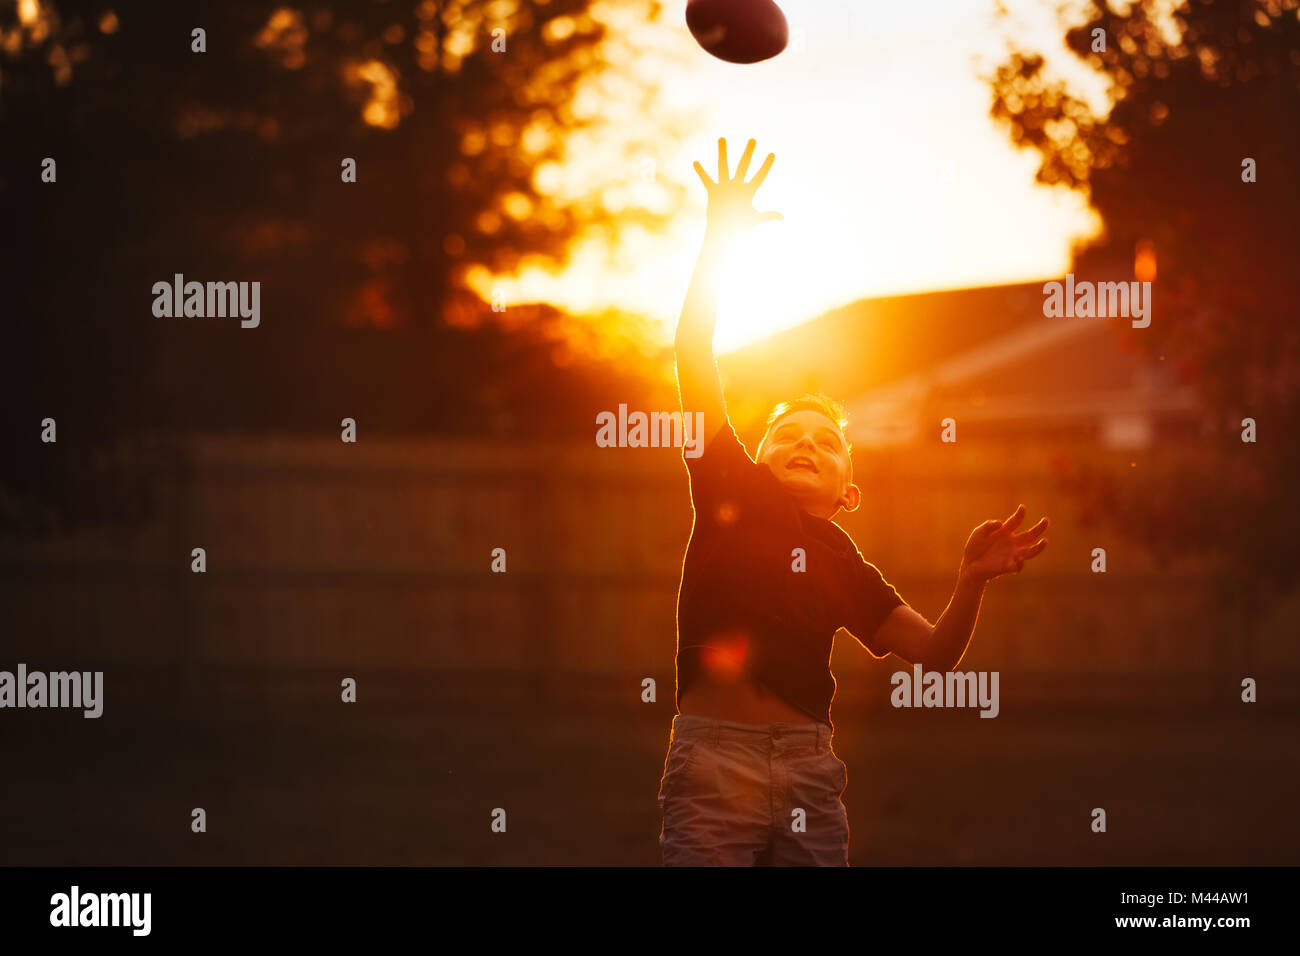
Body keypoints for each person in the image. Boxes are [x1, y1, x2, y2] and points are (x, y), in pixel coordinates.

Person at [659, 136, 1049, 866]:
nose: (804, 444)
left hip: (808, 769)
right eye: (786, 436)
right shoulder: (727, 489)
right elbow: (691, 351)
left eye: (826, 442)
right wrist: (718, 243)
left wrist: (969, 583)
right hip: (714, 766)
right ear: (756, 455)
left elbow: (934, 656)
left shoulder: (845, 566)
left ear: (850, 490)